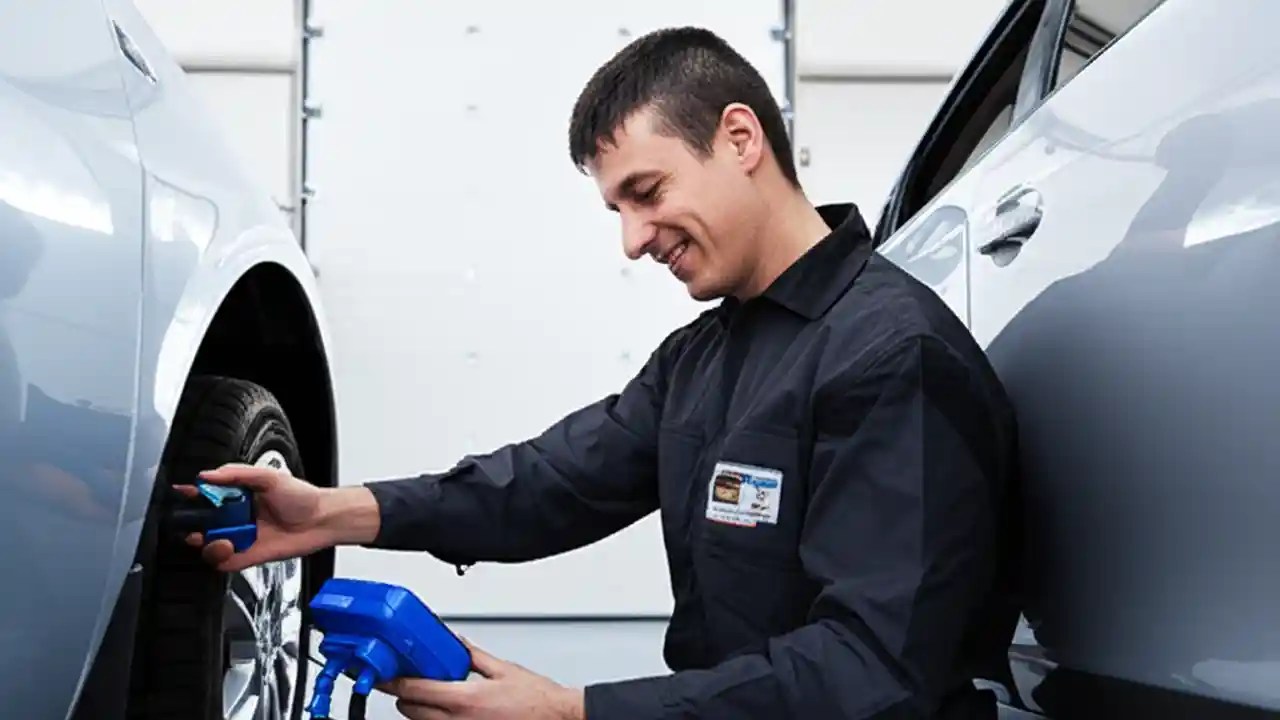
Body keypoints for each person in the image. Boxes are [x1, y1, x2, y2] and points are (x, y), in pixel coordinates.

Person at [183, 26, 1022, 720]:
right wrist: (338, 513)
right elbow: (548, 484)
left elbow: (869, 671)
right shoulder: (704, 359)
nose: (634, 238)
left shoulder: (890, 356)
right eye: (619, 208)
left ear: (740, 139)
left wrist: (576, 711)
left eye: (647, 191)